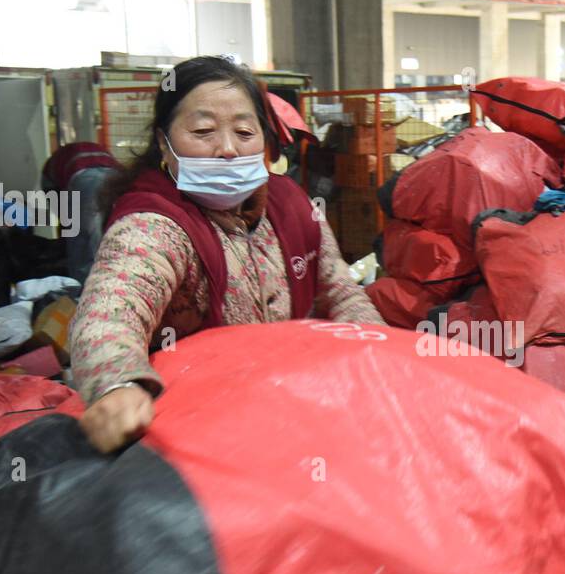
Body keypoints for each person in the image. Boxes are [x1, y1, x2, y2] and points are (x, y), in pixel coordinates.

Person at [70, 56, 383, 454]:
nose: (228, 149)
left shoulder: (291, 204)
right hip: (196, 433)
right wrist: (117, 384)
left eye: (244, 131)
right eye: (203, 131)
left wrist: (381, 353)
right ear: (164, 145)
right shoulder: (155, 224)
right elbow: (110, 311)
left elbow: (341, 292)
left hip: (290, 415)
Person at [40, 142, 122, 285]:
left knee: (81, 244)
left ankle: (82, 291)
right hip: (114, 175)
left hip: (84, 177)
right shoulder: (84, 152)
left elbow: (66, 221)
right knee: (109, 232)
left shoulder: (50, 173)